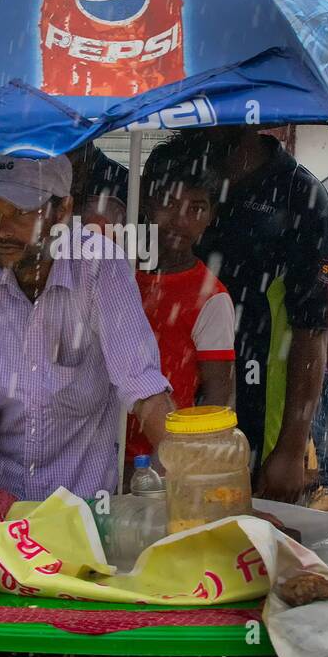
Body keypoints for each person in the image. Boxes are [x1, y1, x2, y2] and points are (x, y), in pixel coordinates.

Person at [0, 154, 175, 501]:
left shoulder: (98, 264)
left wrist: (198, 479)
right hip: (0, 504)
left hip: (86, 505)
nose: (1, 229)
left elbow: (141, 384)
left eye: (20, 213)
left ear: (63, 211)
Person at [171, 125, 328, 502]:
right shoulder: (180, 173)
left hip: (257, 410)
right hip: (175, 403)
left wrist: (293, 448)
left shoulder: (302, 197)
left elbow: (311, 330)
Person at [124, 138, 235, 464]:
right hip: (99, 457)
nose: (181, 220)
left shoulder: (212, 298)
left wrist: (193, 468)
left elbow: (217, 398)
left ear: (211, 214)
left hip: (164, 463)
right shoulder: (115, 274)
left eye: (197, 208)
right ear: (146, 200)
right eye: (169, 203)